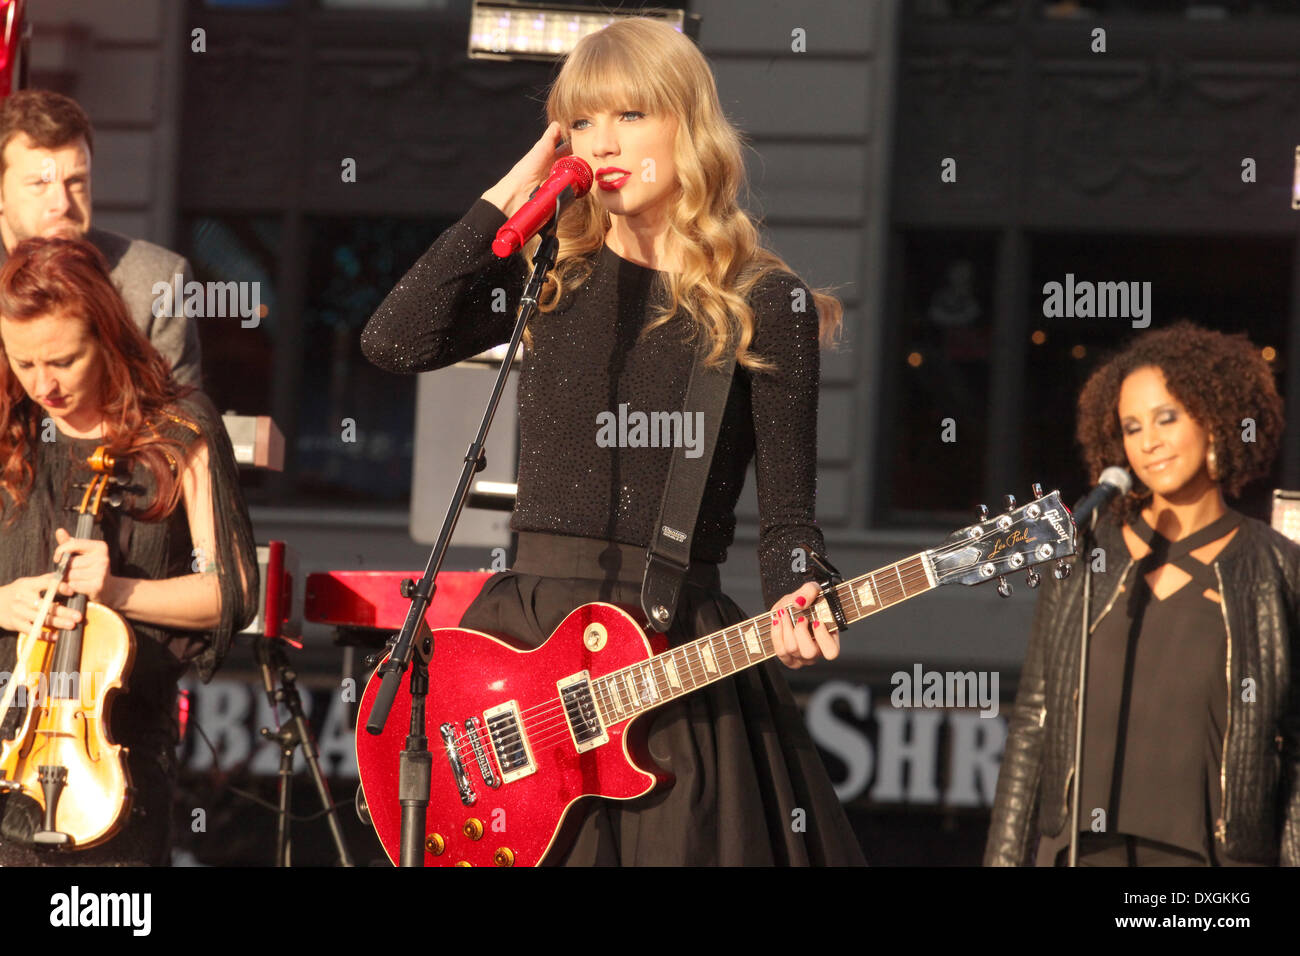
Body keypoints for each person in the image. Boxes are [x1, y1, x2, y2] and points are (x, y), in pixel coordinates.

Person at [361, 18, 862, 865]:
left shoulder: (762, 304)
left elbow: (788, 525)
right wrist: (509, 197)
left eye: (630, 116)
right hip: (521, 650)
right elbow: (394, 339)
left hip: (668, 653)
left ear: (687, 127)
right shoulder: (553, 272)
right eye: (582, 123)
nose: (604, 144)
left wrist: (799, 590)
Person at [985, 321, 1300, 866]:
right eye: (1131, 427)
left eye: (1166, 418)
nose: (1147, 442)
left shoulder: (1274, 565)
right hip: (1081, 851)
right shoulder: (1086, 550)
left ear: (1217, 419)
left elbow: (1294, 748)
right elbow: (1034, 721)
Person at [0, 237, 257, 865]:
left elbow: (234, 591)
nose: (44, 386)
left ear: (108, 334)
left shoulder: (181, 428)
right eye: (23, 363)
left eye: (63, 360)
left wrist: (116, 593)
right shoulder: (8, 419)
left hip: (114, 752)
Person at [0, 90, 202, 387]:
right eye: (40, 184)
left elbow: (181, 423)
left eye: (76, 182)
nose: (63, 203)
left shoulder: (156, 284)